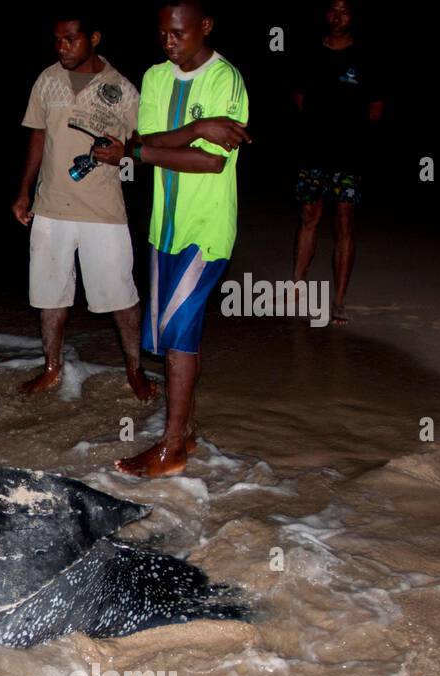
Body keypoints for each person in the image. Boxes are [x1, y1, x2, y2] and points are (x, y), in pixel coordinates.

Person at [103, 0, 250, 478]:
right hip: (162, 228)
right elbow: (146, 138)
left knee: (181, 332)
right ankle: (185, 431)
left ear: (205, 27)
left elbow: (210, 161)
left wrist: (146, 150)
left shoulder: (225, 79)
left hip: (205, 228)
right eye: (163, 33)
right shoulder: (154, 77)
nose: (169, 42)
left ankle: (172, 448)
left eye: (179, 34)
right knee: (172, 336)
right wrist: (197, 129)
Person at [13, 15, 154, 402]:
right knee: (49, 295)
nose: (62, 47)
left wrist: (125, 154)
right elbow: (38, 137)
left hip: (103, 209)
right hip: (51, 205)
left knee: (121, 297)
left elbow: (145, 147)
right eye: (57, 40)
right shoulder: (47, 79)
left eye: (71, 40)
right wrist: (24, 191)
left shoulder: (122, 89)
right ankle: (51, 368)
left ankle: (135, 370)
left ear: (93, 38)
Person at [292, 0, 385, 325]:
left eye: (345, 10)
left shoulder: (367, 57)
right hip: (313, 151)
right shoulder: (310, 53)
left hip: (349, 156)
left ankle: (340, 301)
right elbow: (300, 100)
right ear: (324, 13)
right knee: (309, 215)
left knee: (344, 220)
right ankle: (297, 288)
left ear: (355, 14)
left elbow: (376, 110)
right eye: (332, 9)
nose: (337, 16)